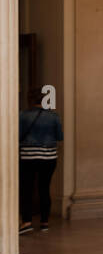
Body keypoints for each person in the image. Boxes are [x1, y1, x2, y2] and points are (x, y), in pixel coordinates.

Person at [18, 89, 62, 234]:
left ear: (30, 100)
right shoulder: (54, 116)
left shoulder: (23, 116)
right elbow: (59, 136)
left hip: (28, 156)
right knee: (44, 189)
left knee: (27, 190)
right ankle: (44, 222)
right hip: (49, 157)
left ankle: (27, 221)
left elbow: (17, 135)